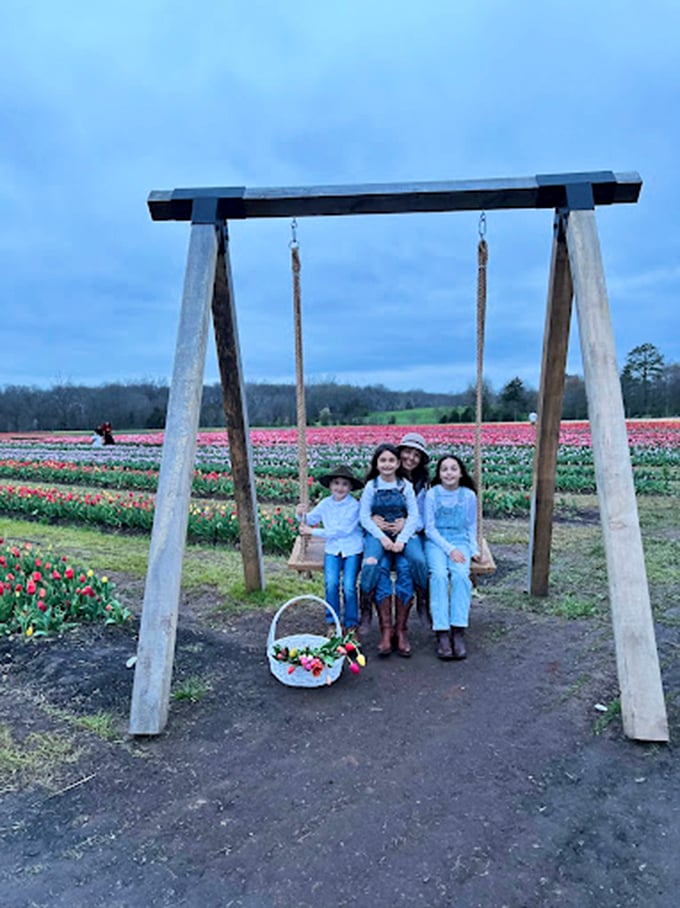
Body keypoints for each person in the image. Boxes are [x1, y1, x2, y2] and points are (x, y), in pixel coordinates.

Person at [358, 443, 419, 657]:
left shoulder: (405, 486)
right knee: (374, 565)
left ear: (398, 463)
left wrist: (401, 539)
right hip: (378, 534)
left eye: (391, 460)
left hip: (401, 535)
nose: (387, 464)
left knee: (406, 568)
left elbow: (414, 516)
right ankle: (384, 628)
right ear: (376, 463)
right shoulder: (371, 486)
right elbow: (364, 516)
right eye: (382, 460)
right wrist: (382, 537)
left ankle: (401, 630)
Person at [296, 465, 364, 636]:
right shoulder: (325, 503)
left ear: (350, 488)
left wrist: (313, 532)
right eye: (336, 483)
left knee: (349, 586)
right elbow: (310, 519)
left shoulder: (354, 506)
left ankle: (351, 624)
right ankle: (332, 622)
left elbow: (342, 531)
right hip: (333, 549)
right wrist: (300, 514)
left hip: (352, 548)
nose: (340, 488)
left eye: (344, 484)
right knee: (331, 583)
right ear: (330, 485)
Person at [424, 454, 481, 660]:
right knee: (438, 575)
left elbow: (471, 525)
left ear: (460, 473)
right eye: (444, 469)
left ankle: (458, 629)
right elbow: (430, 529)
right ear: (439, 474)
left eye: (453, 468)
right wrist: (449, 550)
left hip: (460, 541)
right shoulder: (433, 494)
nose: (449, 473)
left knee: (460, 575)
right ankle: (441, 631)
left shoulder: (468, 495)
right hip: (437, 542)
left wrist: (473, 550)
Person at [395, 432, 430, 620]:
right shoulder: (386, 474)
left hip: (412, 535)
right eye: (407, 452)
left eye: (416, 455)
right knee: (398, 567)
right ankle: (391, 626)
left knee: (413, 563)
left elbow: (423, 519)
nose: (411, 458)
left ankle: (423, 599)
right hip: (386, 534)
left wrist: (406, 525)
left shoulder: (423, 484)